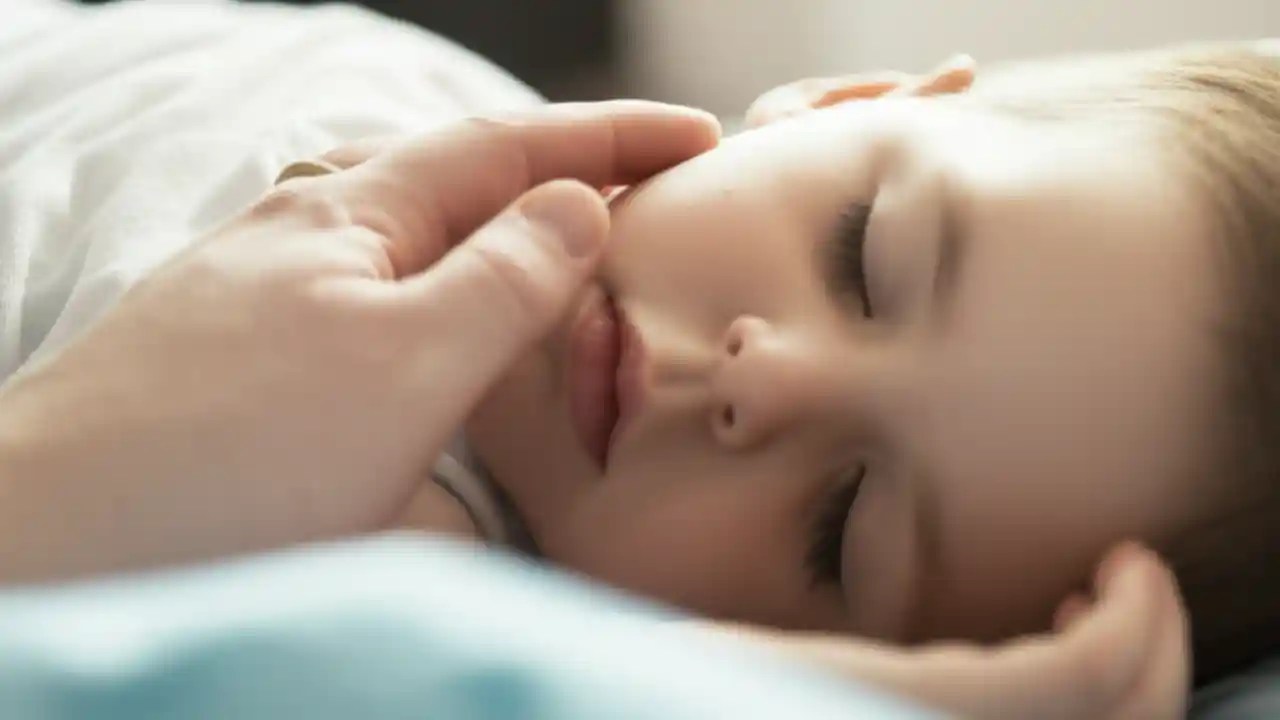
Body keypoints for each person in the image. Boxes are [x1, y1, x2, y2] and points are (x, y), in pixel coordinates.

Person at [0, 1, 1254, 717]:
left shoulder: (408, 576)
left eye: (844, 530)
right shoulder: (390, 90)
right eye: (861, 256)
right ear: (843, 102)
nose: (764, 382)